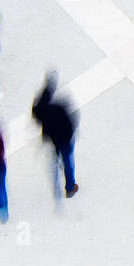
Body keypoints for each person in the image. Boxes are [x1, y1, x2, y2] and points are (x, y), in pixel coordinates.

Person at [32, 72, 79, 200]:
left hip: (53, 138)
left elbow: (36, 114)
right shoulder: (58, 108)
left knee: (55, 157)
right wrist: (70, 134)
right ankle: (70, 188)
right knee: (68, 161)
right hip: (64, 138)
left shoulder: (41, 109)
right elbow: (70, 123)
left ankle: (56, 183)